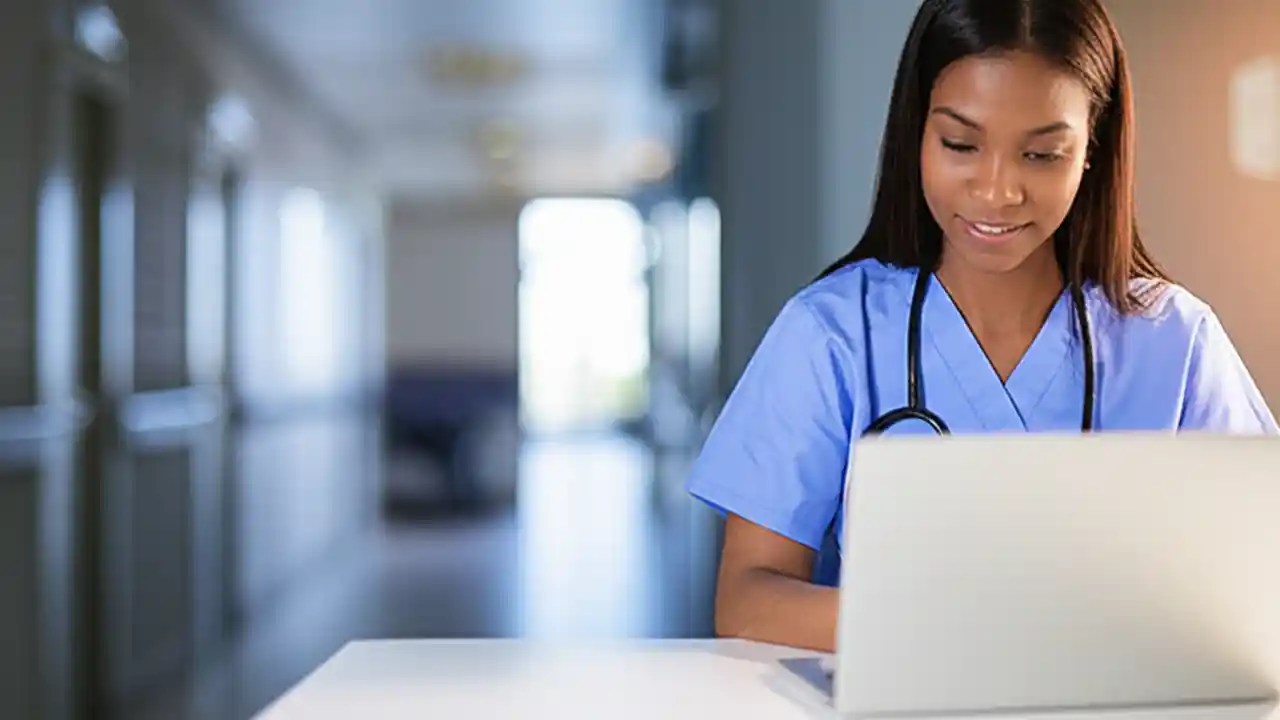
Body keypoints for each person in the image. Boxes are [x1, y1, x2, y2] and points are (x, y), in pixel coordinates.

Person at [685, 0, 1279, 654]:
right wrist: (960, 632)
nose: (997, 192)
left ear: (1092, 152)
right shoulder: (832, 333)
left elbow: (1258, 581)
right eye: (961, 145)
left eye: (1042, 154)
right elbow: (748, 595)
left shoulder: (1176, 341)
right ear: (917, 132)